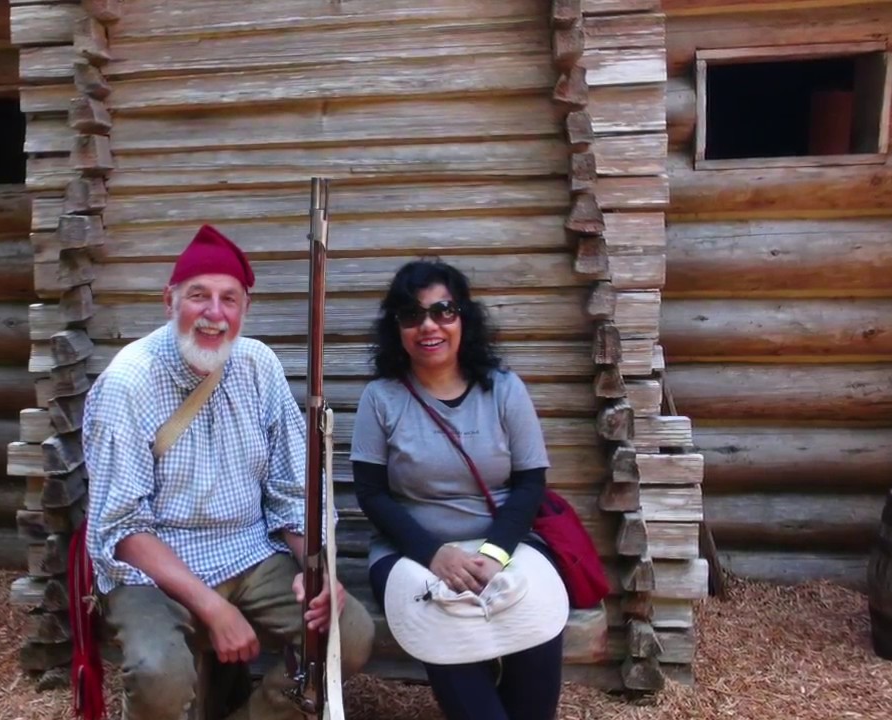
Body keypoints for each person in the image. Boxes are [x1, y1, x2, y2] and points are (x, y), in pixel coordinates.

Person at [80, 224, 375, 720]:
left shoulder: (259, 366)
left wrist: (314, 568)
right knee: (158, 677)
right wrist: (215, 610)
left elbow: (291, 490)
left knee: (350, 635)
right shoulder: (126, 384)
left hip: (247, 550)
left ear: (244, 309)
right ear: (168, 301)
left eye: (229, 299)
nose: (215, 314)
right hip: (153, 567)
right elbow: (123, 529)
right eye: (199, 296)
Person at [349, 259, 569, 720]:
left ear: (463, 317)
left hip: (504, 541)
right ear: (398, 329)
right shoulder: (381, 398)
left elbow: (530, 483)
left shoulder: (505, 390)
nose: (429, 326)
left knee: (535, 616)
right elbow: (371, 494)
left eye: (443, 311)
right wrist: (434, 554)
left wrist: (496, 553)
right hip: (411, 552)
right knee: (443, 615)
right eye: (412, 315)